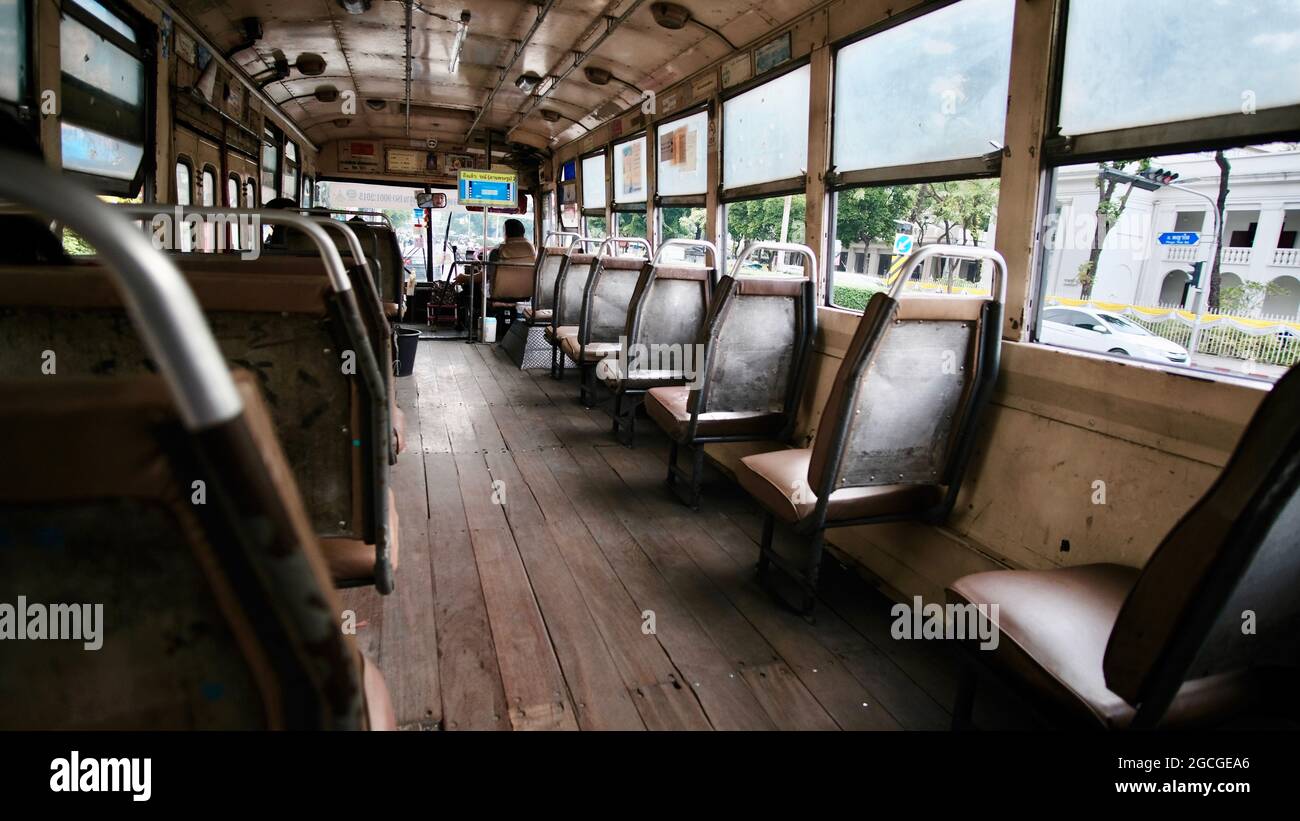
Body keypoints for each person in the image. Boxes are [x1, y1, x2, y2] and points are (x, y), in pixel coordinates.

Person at [455, 219, 536, 331]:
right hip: (526, 297)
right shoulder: (532, 250)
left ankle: (468, 326)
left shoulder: (497, 251)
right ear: (523, 232)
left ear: (505, 233)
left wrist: (464, 277)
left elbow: (484, 276)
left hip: (498, 295)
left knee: (467, 288)